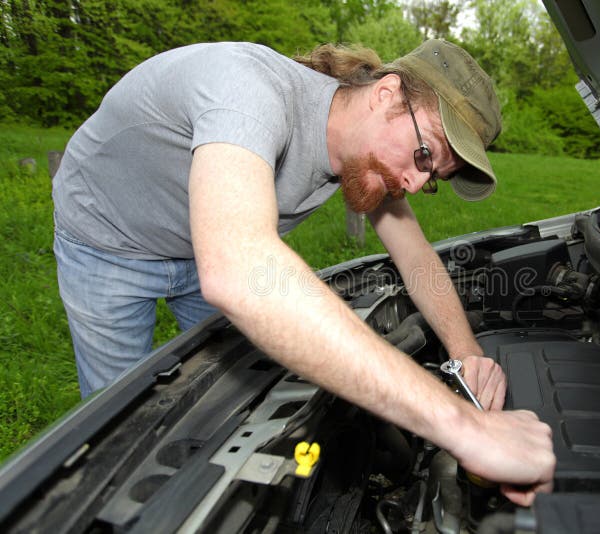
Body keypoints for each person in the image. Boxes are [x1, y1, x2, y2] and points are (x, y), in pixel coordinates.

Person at [52, 39, 555, 505]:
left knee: (221, 407)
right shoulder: (247, 89)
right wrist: (465, 428)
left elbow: (417, 257)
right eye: (425, 155)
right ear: (386, 94)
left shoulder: (362, 152)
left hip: (202, 240)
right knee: (121, 435)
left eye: (432, 177)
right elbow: (236, 268)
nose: (414, 181)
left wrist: (466, 353)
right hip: (107, 241)